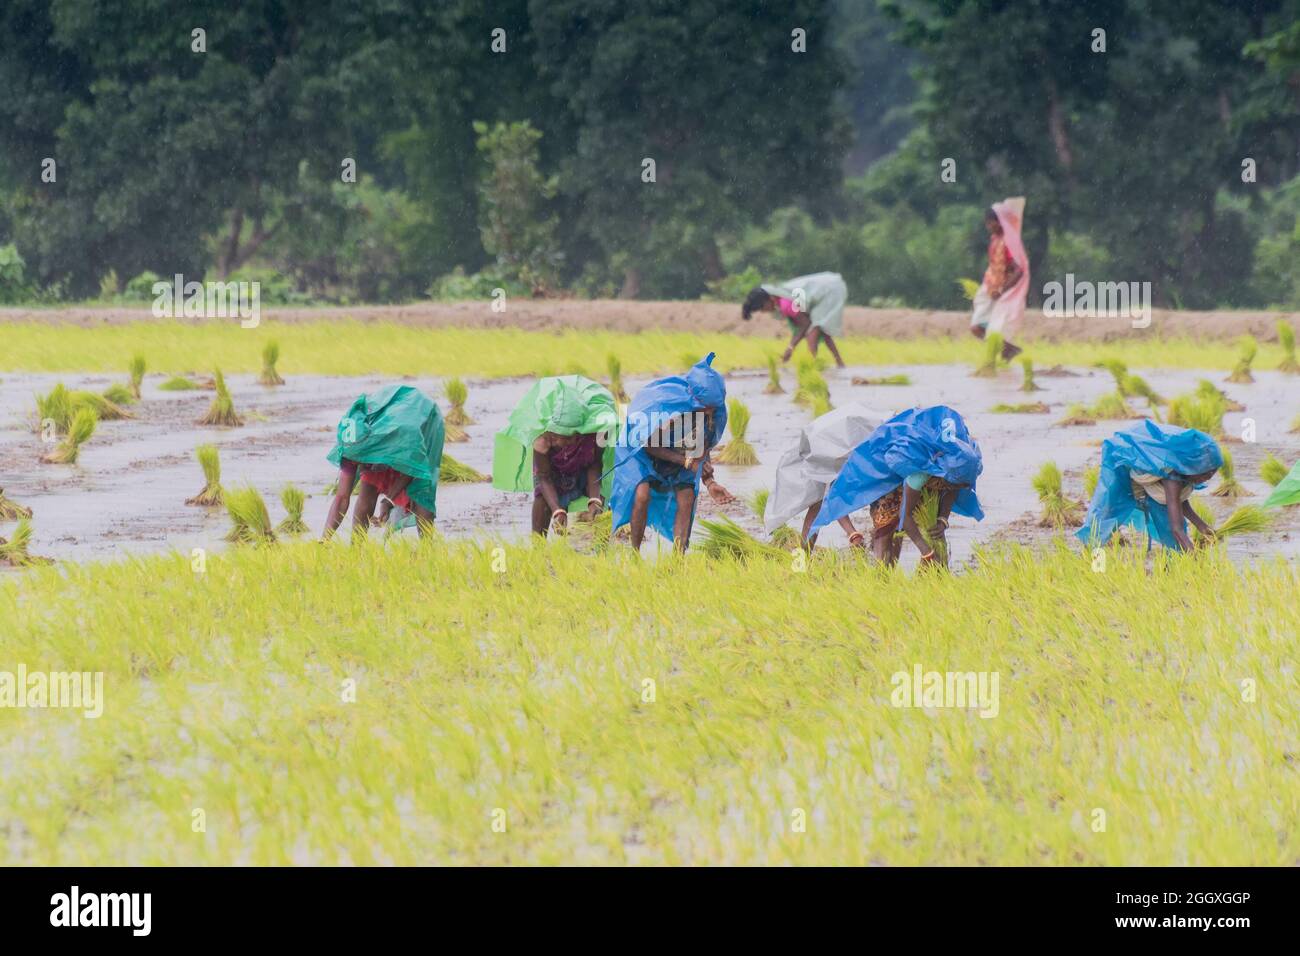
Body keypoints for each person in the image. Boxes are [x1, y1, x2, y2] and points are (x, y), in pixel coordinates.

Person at [808, 405, 984, 567]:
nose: (956, 486)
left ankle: (930, 576)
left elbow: (953, 490)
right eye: (953, 483)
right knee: (886, 526)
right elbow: (904, 516)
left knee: (932, 529)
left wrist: (942, 520)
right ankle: (881, 578)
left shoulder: (962, 462)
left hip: (921, 480)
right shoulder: (918, 470)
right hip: (889, 479)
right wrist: (925, 551)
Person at [611, 353, 736, 553]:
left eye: (713, 409)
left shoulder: (714, 413)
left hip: (681, 454)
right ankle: (634, 553)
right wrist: (685, 461)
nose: (709, 413)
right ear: (694, 400)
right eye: (706, 409)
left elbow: (703, 447)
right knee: (642, 495)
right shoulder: (666, 406)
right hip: (642, 451)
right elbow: (648, 444)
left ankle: (679, 560)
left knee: (686, 498)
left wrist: (710, 481)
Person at [490, 375, 620, 537]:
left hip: (583, 473)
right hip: (553, 475)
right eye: (554, 434)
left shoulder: (596, 433)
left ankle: (599, 554)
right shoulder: (543, 438)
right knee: (542, 501)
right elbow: (543, 477)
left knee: (601, 505)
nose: (556, 440)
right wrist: (557, 510)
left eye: (563, 437)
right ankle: (537, 548)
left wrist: (595, 501)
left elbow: (595, 466)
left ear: (578, 434)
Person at [1077, 420, 1222, 552]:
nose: (1207, 479)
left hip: (1150, 467)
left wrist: (1202, 526)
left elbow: (1179, 501)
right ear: (1193, 468)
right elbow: (1176, 528)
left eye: (1212, 474)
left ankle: (1173, 566)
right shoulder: (1172, 476)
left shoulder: (1185, 468)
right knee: (1107, 514)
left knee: (1172, 535)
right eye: (1205, 474)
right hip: (1123, 461)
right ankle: (1089, 554)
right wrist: (1193, 554)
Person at [323, 384, 444, 538]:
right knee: (368, 488)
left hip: (423, 422)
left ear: (367, 447)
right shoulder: (349, 446)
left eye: (358, 458)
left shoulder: (403, 435)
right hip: (389, 430)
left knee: (421, 489)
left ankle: (427, 549)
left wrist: (388, 500)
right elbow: (341, 497)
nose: (354, 463)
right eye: (352, 459)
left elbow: (411, 471)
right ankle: (356, 550)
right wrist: (324, 540)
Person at [765, 403, 879, 547]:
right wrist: (852, 533)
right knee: (817, 504)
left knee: (819, 504)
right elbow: (833, 495)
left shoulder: (862, 441)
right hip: (819, 451)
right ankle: (805, 554)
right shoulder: (821, 454)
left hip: (841, 444)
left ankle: (805, 554)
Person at [741, 272, 848, 367]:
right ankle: (839, 363)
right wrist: (791, 347)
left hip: (830, 290)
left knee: (814, 329)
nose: (764, 311)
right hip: (832, 284)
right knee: (820, 329)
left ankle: (811, 365)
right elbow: (803, 326)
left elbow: (805, 324)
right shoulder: (783, 297)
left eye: (762, 308)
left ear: (769, 299)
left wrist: (791, 347)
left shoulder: (786, 303)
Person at [970, 198, 1029, 361]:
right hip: (989, 287)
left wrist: (1003, 290)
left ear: (999, 222)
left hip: (998, 291)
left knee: (978, 328)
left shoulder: (1009, 242)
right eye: (987, 224)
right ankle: (1007, 351)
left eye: (991, 223)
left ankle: (1007, 350)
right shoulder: (994, 239)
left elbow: (1018, 270)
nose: (989, 227)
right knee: (978, 327)